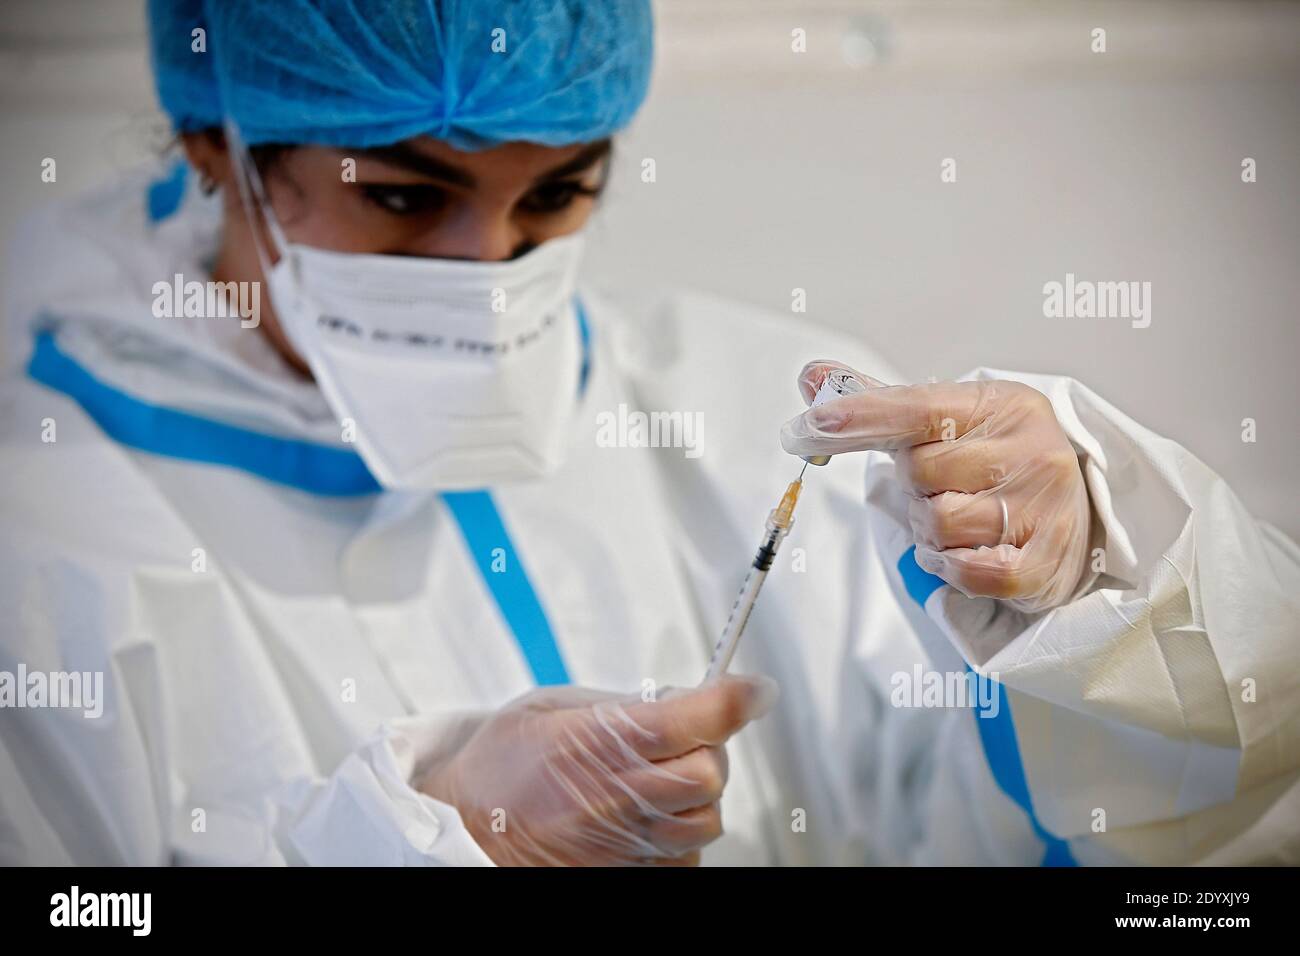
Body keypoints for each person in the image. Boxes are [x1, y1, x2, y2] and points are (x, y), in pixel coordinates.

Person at [0, 0, 1295, 866]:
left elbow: (1114, 844)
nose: (490, 266)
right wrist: (438, 834)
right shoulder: (41, 524)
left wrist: (1104, 600)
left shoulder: (732, 408)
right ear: (215, 149)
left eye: (559, 195)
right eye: (403, 197)